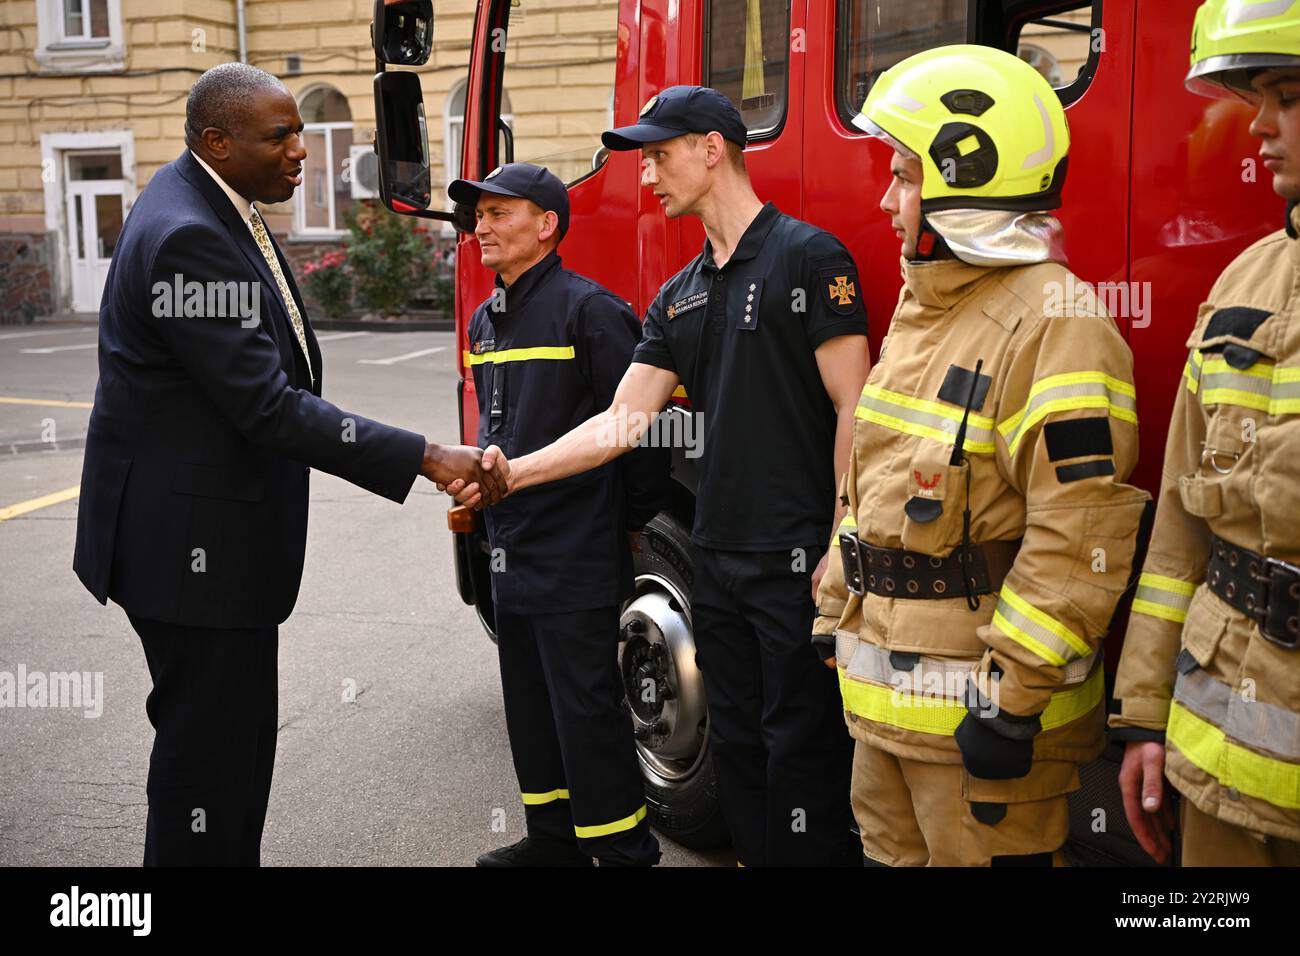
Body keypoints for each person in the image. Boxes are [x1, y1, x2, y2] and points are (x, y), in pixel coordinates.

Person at [72, 62, 500, 866]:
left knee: (227, 755)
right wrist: (428, 457)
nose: (302, 150)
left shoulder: (210, 200)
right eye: (282, 135)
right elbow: (267, 407)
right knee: (211, 769)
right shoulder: (189, 236)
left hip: (195, 539)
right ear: (217, 141)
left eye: (299, 132)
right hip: (189, 554)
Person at [451, 85, 870, 866]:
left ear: (713, 148)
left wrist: (843, 539)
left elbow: (856, 406)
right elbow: (620, 422)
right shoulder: (678, 298)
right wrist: (509, 471)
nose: (647, 175)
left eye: (660, 155)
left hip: (795, 554)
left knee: (801, 743)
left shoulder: (808, 257)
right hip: (714, 556)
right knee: (738, 740)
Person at [814, 45, 1151, 866]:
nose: (885, 197)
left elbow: (1079, 539)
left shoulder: (1057, 323)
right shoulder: (927, 302)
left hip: (980, 726)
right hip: (885, 708)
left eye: (902, 175)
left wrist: (1011, 702)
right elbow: (876, 481)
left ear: (963, 184)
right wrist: (834, 604)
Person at [1111, 0, 1300, 867]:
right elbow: (1180, 536)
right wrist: (1146, 715)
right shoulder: (1242, 284)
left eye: (1288, 94)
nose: (1258, 125)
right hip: (1213, 758)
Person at [446, 162, 667, 866]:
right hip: (509, 552)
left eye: (498, 214)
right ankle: (552, 843)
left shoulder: (591, 311)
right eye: (478, 216)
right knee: (530, 706)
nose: (481, 226)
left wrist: (628, 524)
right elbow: (497, 430)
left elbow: (642, 436)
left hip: (575, 550)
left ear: (547, 225)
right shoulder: (485, 318)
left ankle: (626, 852)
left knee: (588, 714)